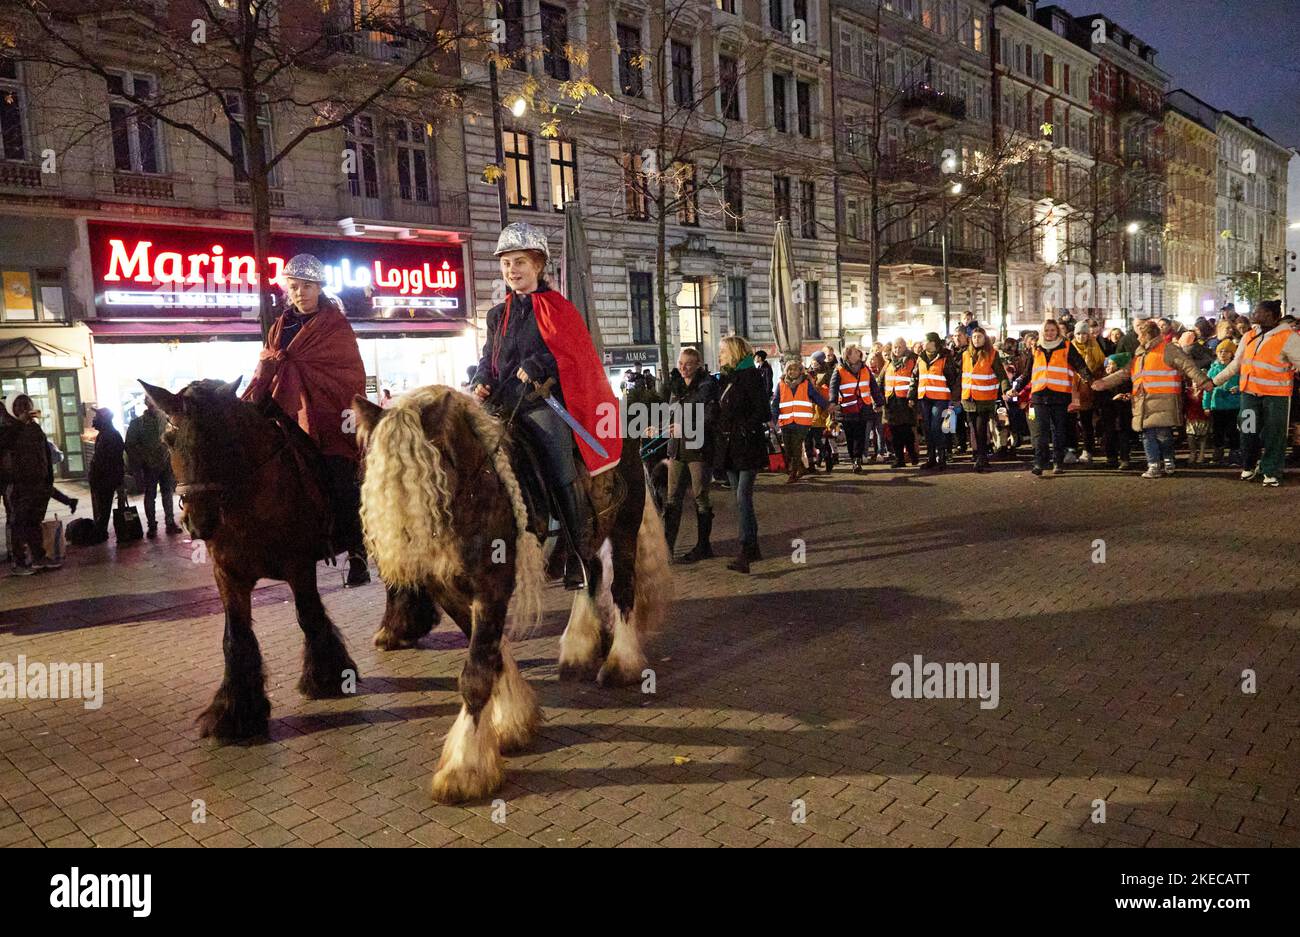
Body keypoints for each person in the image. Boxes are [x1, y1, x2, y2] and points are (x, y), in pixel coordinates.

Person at [470, 223, 620, 582]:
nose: (512, 270)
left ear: (538, 265)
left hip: (542, 403)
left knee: (558, 466)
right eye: (506, 263)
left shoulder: (559, 309)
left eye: (519, 262)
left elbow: (572, 355)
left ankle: (579, 553)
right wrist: (480, 379)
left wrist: (538, 364)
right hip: (503, 406)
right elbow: (489, 357)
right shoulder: (496, 315)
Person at [244, 253, 370, 586]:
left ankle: (357, 552)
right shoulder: (279, 326)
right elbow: (268, 366)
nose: (300, 292)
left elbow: (349, 373)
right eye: (295, 286)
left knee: (340, 477)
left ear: (319, 288)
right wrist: (255, 397)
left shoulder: (335, 325)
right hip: (286, 413)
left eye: (307, 286)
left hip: (329, 415)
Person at [1092, 319, 1211, 478]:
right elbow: (1125, 373)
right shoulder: (1140, 354)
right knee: (1148, 434)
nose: (1138, 338)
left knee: (1163, 434)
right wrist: (1104, 383)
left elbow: (1187, 365)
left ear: (1148, 335)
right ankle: (1154, 464)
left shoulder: (1168, 350)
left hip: (1163, 400)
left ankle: (1166, 460)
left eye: (1140, 335)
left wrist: (1203, 381)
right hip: (1144, 401)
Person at [1209, 299, 1300, 486]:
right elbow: (1236, 364)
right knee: (1247, 430)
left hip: (1277, 396)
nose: (1253, 313)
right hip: (1249, 395)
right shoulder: (1249, 335)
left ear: (1269, 314)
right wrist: (1214, 382)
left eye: (1257, 311)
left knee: (1275, 434)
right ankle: (1249, 465)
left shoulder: (1288, 337)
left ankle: (1271, 471)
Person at [713, 336, 768, 574]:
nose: (720, 355)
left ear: (734, 352)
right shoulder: (727, 378)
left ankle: (746, 549)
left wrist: (745, 428)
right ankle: (752, 546)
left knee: (743, 496)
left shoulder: (750, 376)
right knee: (740, 498)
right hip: (731, 448)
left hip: (746, 447)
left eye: (723, 351)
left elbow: (762, 410)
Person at [661, 347, 718, 564]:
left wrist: (683, 428)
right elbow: (671, 416)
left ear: (698, 365)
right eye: (681, 363)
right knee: (672, 499)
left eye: (688, 364)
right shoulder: (675, 388)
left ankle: (704, 545)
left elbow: (709, 418)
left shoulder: (706, 387)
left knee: (700, 497)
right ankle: (667, 548)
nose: (683, 368)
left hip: (698, 450)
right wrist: (659, 428)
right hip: (676, 450)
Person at [1027, 319, 1091, 476]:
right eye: (1046, 330)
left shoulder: (1067, 346)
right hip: (1039, 395)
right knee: (1041, 431)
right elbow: (1028, 372)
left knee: (1059, 431)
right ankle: (1040, 463)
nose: (1049, 333)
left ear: (1057, 331)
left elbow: (1080, 365)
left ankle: (1058, 462)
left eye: (1052, 330)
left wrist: (1090, 379)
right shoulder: (1036, 348)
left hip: (1060, 395)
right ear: (1042, 332)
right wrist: (1014, 389)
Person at [4, 395, 60, 573]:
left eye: (27, 405)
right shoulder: (9, 428)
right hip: (19, 484)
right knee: (18, 523)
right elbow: (5, 444)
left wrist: (48, 479)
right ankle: (19, 562)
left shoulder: (35, 429)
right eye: (20, 406)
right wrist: (19, 423)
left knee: (34, 522)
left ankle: (39, 556)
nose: (25, 409)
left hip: (37, 483)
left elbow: (45, 454)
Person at [126, 394, 181, 538]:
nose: (152, 403)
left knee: (167, 493)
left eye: (154, 399)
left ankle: (170, 522)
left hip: (166, 463)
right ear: (145, 402)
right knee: (150, 495)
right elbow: (131, 446)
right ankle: (152, 525)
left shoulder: (167, 420)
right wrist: (142, 461)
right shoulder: (138, 423)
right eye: (149, 400)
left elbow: (176, 438)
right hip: (149, 465)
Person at [960, 327, 1010, 472]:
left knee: (981, 428)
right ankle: (982, 457)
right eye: (974, 337)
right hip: (968, 397)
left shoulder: (992, 354)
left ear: (985, 338)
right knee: (974, 429)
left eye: (979, 337)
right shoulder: (965, 355)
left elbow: (1001, 374)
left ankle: (982, 457)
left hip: (984, 398)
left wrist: (1006, 389)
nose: (976, 340)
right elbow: (962, 375)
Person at [772, 360, 829, 483]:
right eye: (789, 369)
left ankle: (794, 473)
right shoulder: (780, 384)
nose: (792, 372)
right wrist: (773, 419)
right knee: (788, 448)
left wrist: (827, 406)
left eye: (795, 369)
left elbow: (816, 397)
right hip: (786, 421)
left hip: (802, 422)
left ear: (800, 371)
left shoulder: (806, 384)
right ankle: (801, 468)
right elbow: (776, 403)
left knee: (796, 446)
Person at [830, 344, 883, 472]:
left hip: (864, 406)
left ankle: (857, 460)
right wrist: (832, 402)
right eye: (855, 352)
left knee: (861, 434)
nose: (858, 354)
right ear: (847, 355)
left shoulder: (865, 369)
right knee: (850, 435)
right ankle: (854, 457)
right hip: (847, 408)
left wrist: (879, 402)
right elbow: (833, 387)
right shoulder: (839, 370)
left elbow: (873, 386)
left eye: (858, 352)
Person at [916, 332, 959, 470]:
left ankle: (942, 457)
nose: (923, 343)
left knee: (937, 427)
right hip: (924, 397)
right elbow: (915, 377)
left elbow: (952, 378)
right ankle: (931, 458)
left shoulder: (945, 357)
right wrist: (912, 396)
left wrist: (954, 398)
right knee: (927, 428)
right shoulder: (921, 358)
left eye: (925, 340)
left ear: (933, 343)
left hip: (940, 398)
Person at [87, 407, 125, 545]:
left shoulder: (111, 436)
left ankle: (100, 533)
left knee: (104, 508)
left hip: (105, 479)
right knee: (103, 508)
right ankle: (100, 532)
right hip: (103, 479)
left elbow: (111, 461)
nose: (93, 419)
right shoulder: (105, 435)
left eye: (96, 417)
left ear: (104, 419)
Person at [1069, 321, 1106, 463]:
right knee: (1072, 420)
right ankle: (1072, 449)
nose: (1081, 337)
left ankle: (1087, 449)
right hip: (1074, 389)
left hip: (1089, 389)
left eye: (1084, 333)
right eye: (1078, 333)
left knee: (1086, 420)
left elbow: (1101, 365)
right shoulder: (1070, 347)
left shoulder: (1095, 347)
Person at [884, 337, 919, 468]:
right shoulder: (889, 363)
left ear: (905, 348)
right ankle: (899, 459)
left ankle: (912, 454)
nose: (897, 350)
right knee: (894, 431)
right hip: (891, 400)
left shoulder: (912, 360)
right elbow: (882, 380)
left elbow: (915, 380)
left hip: (905, 400)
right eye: (895, 347)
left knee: (905, 430)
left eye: (899, 347)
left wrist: (912, 398)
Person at [1204, 339, 1240, 465]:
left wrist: (1239, 388)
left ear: (1232, 353)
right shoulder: (1213, 369)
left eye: (1226, 351)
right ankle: (1218, 454)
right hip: (1217, 405)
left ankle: (1234, 454)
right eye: (1220, 351)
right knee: (1217, 431)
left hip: (1234, 405)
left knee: (1233, 431)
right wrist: (1206, 405)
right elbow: (1207, 389)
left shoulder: (1237, 369)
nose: (1223, 354)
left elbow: (1245, 383)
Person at [1094, 354, 1134, 469]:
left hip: (1123, 412)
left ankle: (1124, 458)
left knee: (1123, 435)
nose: (1109, 366)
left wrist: (1128, 396)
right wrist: (1113, 398)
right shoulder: (1103, 379)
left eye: (1112, 364)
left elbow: (1132, 391)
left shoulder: (1126, 379)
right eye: (1108, 364)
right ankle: (1111, 457)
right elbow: (1098, 397)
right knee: (1109, 434)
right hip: (1108, 412)